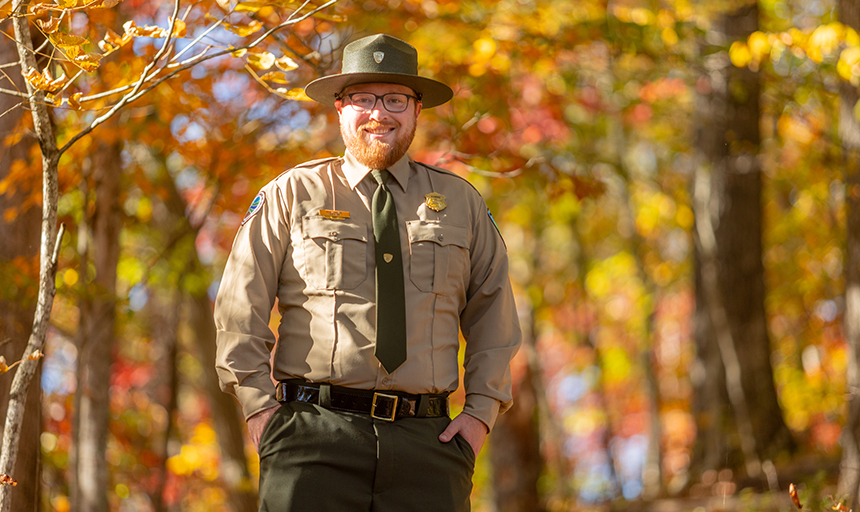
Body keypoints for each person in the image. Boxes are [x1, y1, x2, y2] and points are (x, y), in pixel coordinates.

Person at [214, 33, 521, 511]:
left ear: (417, 110)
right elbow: (239, 310)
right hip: (311, 441)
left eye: (395, 99)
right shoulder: (292, 194)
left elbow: (494, 315)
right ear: (339, 107)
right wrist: (262, 414)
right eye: (363, 99)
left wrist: (478, 417)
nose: (380, 113)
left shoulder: (461, 203)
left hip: (431, 447)